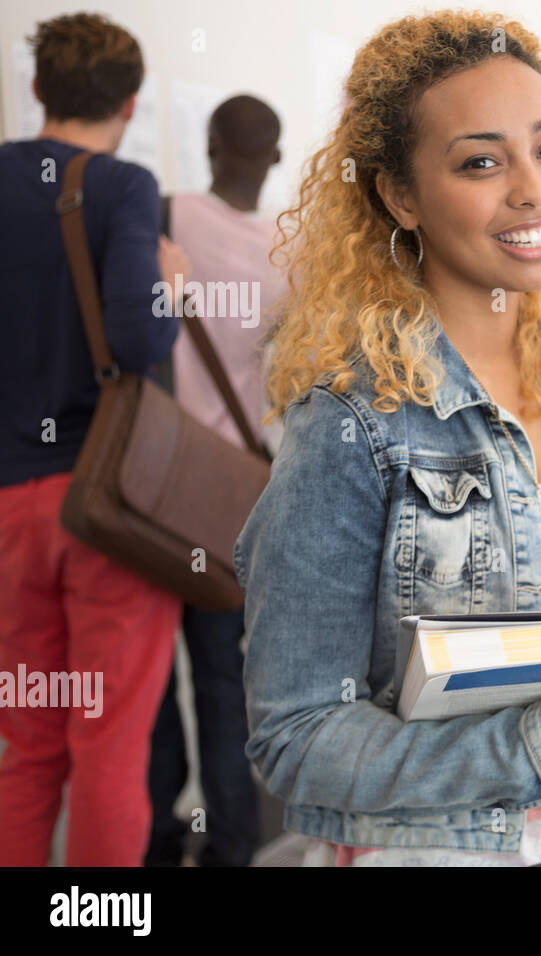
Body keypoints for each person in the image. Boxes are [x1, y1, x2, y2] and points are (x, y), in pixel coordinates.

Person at [236, 11, 541, 867]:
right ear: (399, 195)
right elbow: (297, 736)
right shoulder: (351, 424)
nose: (534, 190)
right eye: (481, 162)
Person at [0, 12, 188, 866]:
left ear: (36, 89)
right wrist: (171, 288)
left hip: (8, 509)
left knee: (30, 746)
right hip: (104, 504)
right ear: (131, 102)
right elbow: (139, 340)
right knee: (109, 746)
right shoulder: (121, 187)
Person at [146, 95, 285, 867]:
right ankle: (231, 844)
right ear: (274, 156)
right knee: (226, 681)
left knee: (150, 677)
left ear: (209, 146)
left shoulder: (164, 218)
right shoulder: (290, 255)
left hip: (156, 483)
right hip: (236, 494)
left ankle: (160, 839)